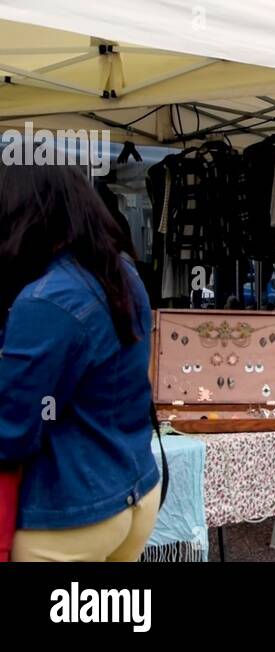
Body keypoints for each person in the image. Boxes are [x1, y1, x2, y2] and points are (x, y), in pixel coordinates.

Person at [0, 164, 161, 562]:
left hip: (69, 512)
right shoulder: (120, 270)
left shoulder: (47, 299)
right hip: (133, 488)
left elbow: (11, 432)